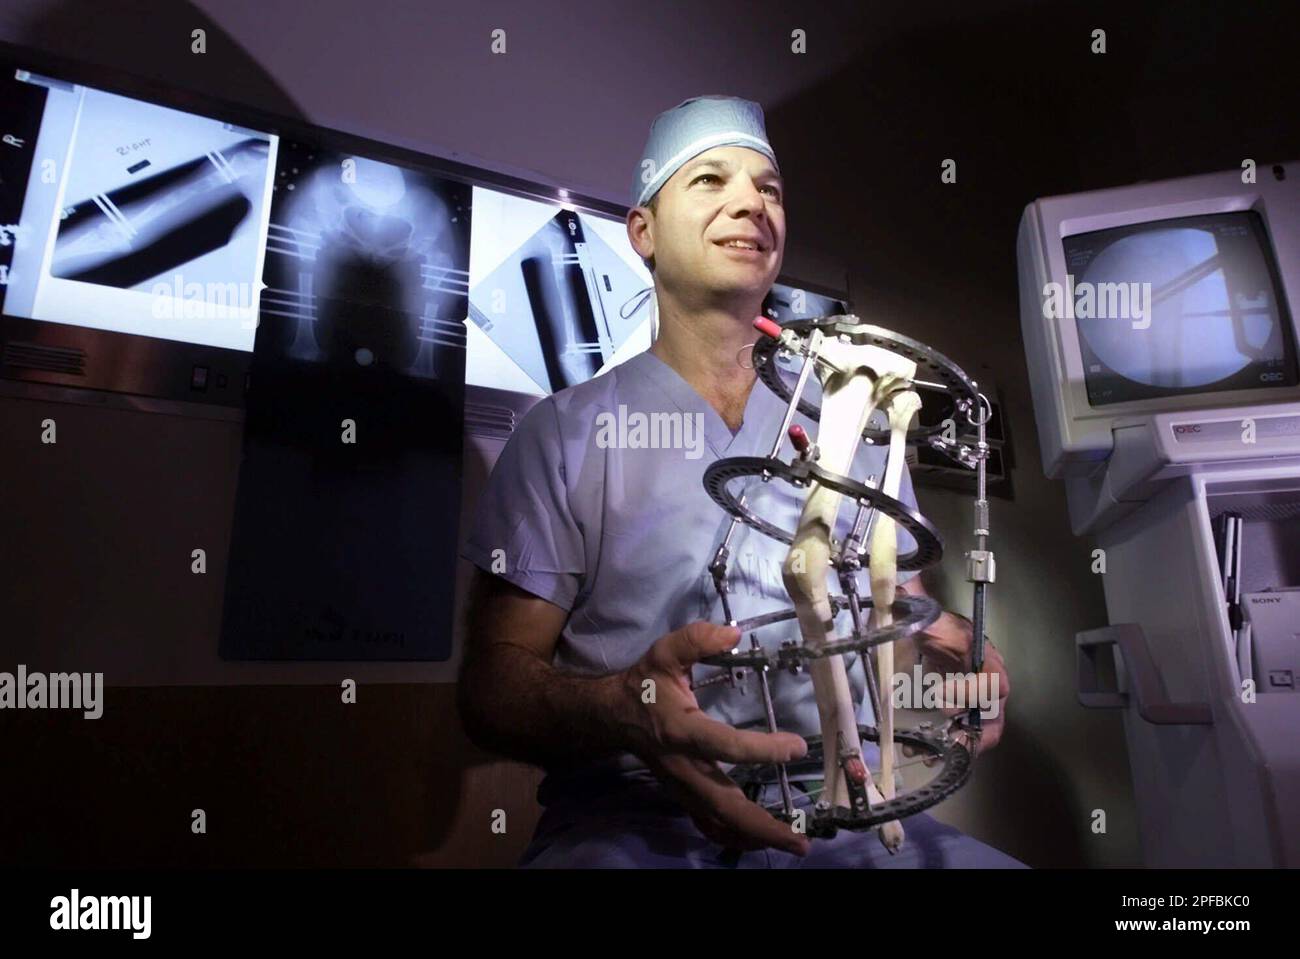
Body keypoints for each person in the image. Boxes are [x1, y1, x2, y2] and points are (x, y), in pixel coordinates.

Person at [457, 94, 1024, 868]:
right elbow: (492, 688)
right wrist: (631, 710)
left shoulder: (852, 420)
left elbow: (899, 636)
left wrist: (950, 664)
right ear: (643, 232)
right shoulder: (566, 435)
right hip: (636, 820)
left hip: (845, 812)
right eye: (710, 179)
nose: (750, 203)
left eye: (770, 188)